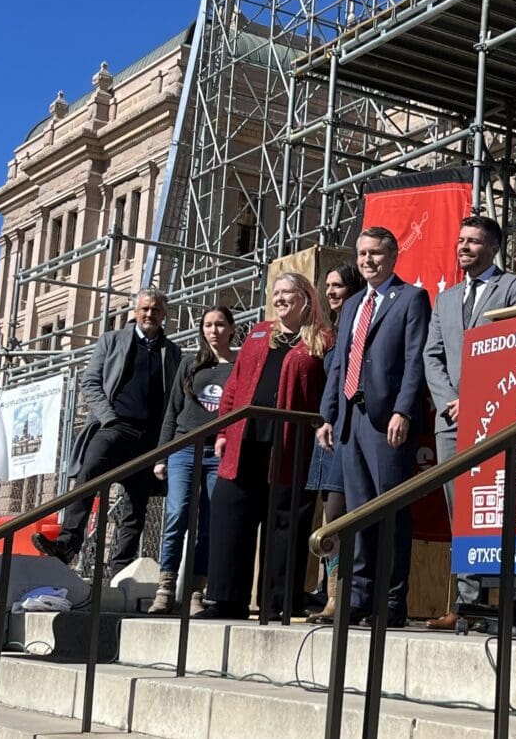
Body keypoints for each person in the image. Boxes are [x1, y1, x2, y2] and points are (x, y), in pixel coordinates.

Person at [198, 273, 333, 619]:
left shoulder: (322, 341)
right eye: (276, 293)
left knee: (285, 523)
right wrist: (224, 432)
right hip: (246, 440)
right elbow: (234, 385)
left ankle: (277, 603)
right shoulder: (259, 334)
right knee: (231, 516)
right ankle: (226, 600)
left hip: (291, 444)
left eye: (288, 292)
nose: (280, 298)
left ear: (305, 298)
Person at [318, 226, 430, 628]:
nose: (368, 260)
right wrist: (328, 414)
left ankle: (392, 599)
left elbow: (415, 359)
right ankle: (361, 596)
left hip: (387, 423)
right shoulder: (350, 306)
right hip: (351, 419)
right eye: (362, 254)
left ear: (393, 256)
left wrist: (404, 410)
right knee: (359, 513)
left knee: (390, 512)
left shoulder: (412, 298)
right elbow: (340, 364)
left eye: (376, 254)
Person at [33, 288, 182, 575]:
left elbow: (174, 396)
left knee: (136, 504)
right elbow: (91, 382)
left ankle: (121, 567)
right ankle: (67, 544)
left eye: (156, 310)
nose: (149, 314)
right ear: (136, 312)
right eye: (145, 309)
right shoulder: (112, 340)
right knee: (88, 478)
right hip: (115, 426)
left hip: (150, 436)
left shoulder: (172, 352)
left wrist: (166, 438)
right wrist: (109, 418)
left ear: (164, 315)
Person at [423, 215, 516, 630]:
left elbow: (513, 345)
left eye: (474, 242)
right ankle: (468, 603)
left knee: (497, 506)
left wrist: (475, 399)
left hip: (494, 414)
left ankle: (504, 602)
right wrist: (450, 401)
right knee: (459, 509)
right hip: (450, 420)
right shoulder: (446, 298)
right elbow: (433, 354)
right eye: (461, 240)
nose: (464, 247)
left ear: (494, 248)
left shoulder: (514, 287)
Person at [148, 306, 237, 616]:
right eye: (208, 325)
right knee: (177, 514)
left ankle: (196, 591)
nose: (214, 330)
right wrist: (162, 455)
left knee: (210, 524)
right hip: (184, 448)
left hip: (218, 453)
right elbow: (172, 411)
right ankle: (165, 587)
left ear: (231, 328)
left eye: (220, 324)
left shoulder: (237, 367)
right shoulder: (190, 364)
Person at [305, 263, 365, 624]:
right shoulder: (331, 331)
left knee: (343, 515)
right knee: (330, 514)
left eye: (338, 285)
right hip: (330, 430)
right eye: (327, 285)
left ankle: (348, 594)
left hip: (354, 429)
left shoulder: (359, 324)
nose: (331, 292)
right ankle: (332, 594)